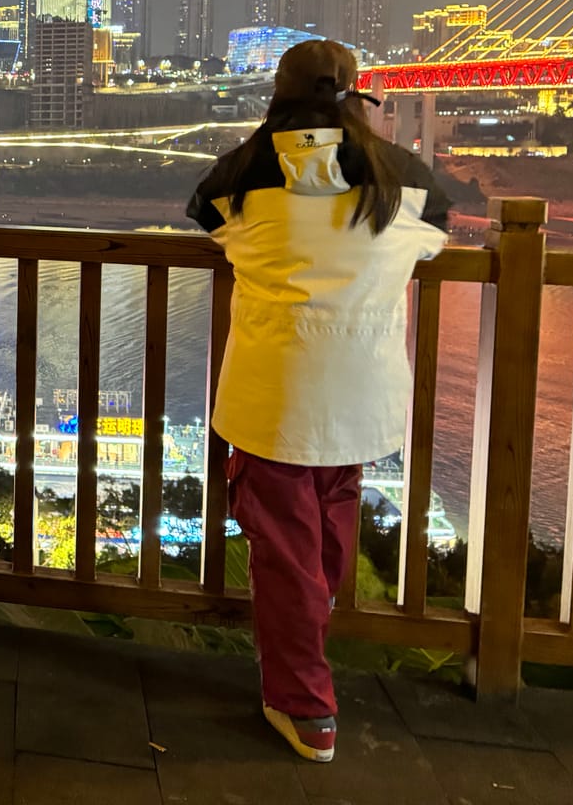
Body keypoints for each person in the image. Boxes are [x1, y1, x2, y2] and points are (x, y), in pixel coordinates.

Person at [186, 40, 451, 764]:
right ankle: (308, 668)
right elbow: (436, 234)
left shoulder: (241, 176)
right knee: (325, 544)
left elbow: (205, 216)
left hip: (273, 398)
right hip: (361, 398)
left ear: (277, 90)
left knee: (286, 558)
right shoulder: (405, 181)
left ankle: (308, 710)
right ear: (356, 91)